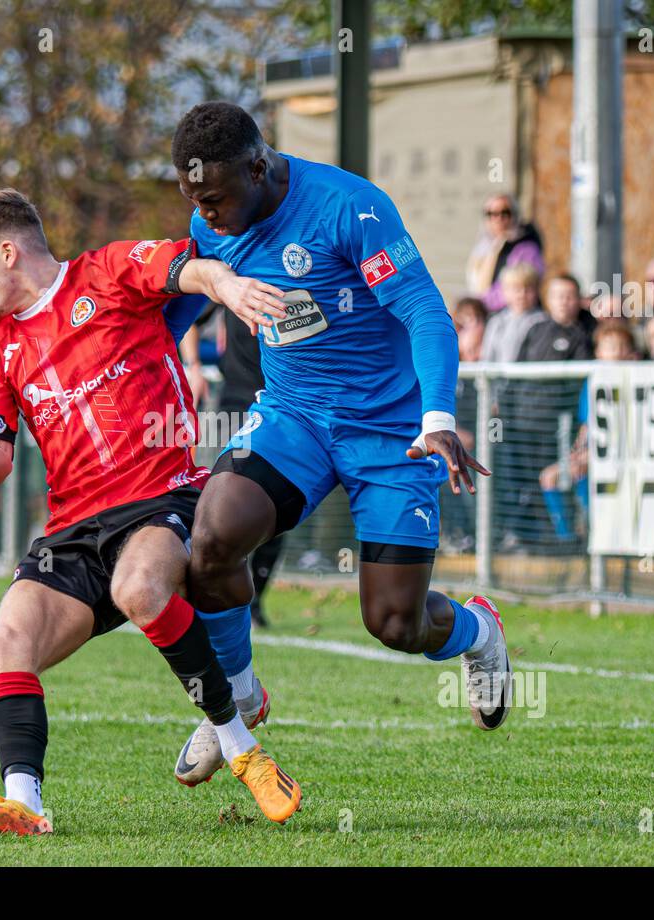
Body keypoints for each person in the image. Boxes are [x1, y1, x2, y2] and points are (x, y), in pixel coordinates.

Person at [0, 186, 302, 835]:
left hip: (163, 497)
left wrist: (228, 288)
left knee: (139, 588)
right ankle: (24, 802)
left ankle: (242, 747)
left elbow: (193, 267)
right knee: (8, 640)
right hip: (74, 527)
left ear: (8, 252)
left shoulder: (105, 275)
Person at [166, 102, 505, 789]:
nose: (208, 214)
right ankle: (237, 698)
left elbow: (424, 311)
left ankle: (477, 633)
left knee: (393, 622)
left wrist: (437, 415)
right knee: (211, 538)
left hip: (390, 431)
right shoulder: (212, 220)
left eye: (217, 198)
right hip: (293, 418)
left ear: (258, 168)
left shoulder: (350, 208)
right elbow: (177, 298)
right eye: (194, 200)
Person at [180, 301, 285, 628]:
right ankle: (204, 594)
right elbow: (186, 317)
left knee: (278, 515)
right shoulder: (233, 272)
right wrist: (193, 365)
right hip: (238, 406)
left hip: (286, 408)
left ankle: (253, 603)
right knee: (224, 509)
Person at [465, 193, 544, 312]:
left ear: (515, 216)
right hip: (483, 314)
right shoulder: (482, 247)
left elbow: (524, 287)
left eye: (505, 213)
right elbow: (475, 286)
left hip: (513, 314)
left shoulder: (526, 248)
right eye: (492, 214)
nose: (498, 219)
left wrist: (484, 306)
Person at [480, 263, 547, 363]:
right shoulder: (496, 321)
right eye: (516, 288)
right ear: (504, 291)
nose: (522, 294)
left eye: (528, 288)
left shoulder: (543, 321)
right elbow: (487, 358)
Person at [519, 273, 593, 362]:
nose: (564, 301)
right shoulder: (535, 330)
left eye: (569, 296)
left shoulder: (590, 333)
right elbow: (518, 365)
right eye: (558, 296)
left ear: (579, 299)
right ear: (548, 299)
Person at [453, 296, 488, 362]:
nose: (473, 320)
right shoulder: (455, 337)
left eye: (477, 315)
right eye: (468, 315)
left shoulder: (487, 332)